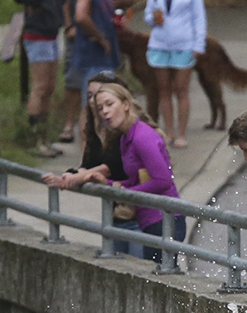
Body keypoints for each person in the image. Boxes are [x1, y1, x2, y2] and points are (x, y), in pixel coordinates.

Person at [43, 80, 180, 260]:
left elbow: (163, 180)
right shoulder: (125, 137)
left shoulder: (142, 137)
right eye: (100, 108)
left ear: (125, 105)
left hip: (163, 220)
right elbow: (133, 180)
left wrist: (126, 193)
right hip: (148, 220)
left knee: (158, 278)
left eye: (109, 104)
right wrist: (106, 183)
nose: (104, 111)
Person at [58, 0, 134, 144]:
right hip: (85, 39)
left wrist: (118, 2)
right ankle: (71, 127)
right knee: (79, 86)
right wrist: (70, 24)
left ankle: (101, 139)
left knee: (100, 95)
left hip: (105, 38)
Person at [11, 0, 69, 157]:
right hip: (38, 35)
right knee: (40, 87)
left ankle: (44, 137)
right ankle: (35, 140)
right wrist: (37, 5)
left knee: (50, 88)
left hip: (51, 34)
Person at [143, 0, 207, 149]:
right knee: (164, 91)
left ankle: (181, 133)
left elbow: (199, 18)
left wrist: (199, 45)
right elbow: (147, 15)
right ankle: (168, 132)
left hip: (184, 44)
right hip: (160, 44)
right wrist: (152, 18)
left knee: (182, 90)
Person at [64, 0, 123, 126]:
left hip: (105, 57)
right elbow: (81, 16)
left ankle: (98, 147)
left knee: (101, 104)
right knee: (92, 105)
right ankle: (87, 148)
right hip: (93, 56)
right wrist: (100, 37)